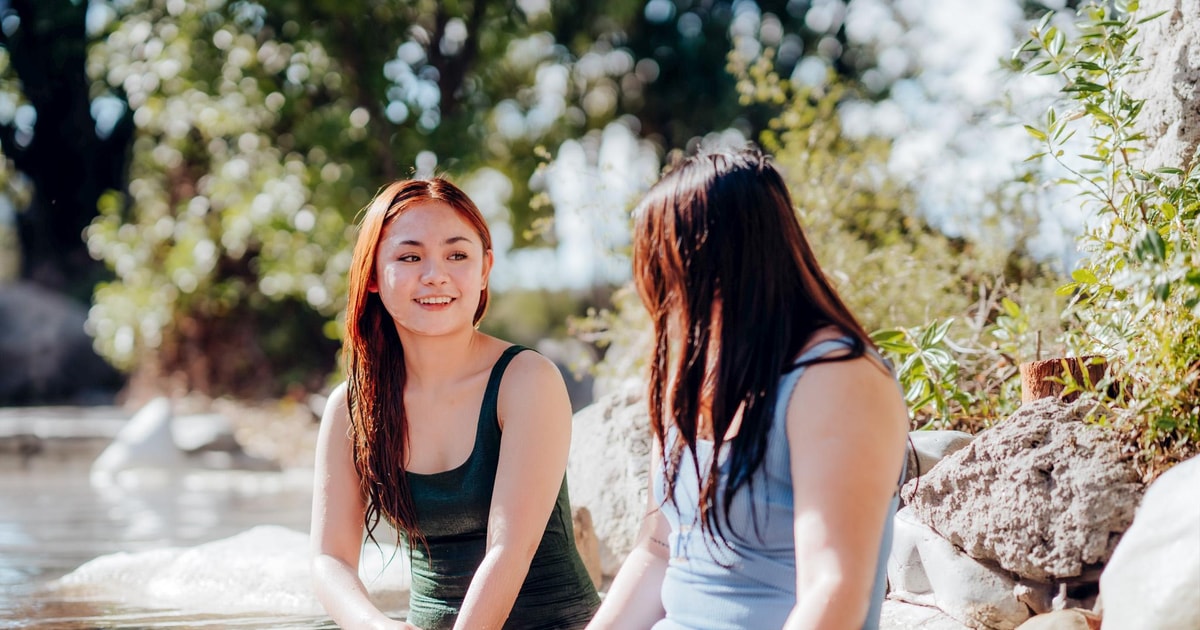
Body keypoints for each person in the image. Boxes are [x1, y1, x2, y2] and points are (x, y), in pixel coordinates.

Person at [587, 146, 910, 630]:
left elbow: (832, 590)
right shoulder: (693, 374)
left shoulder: (837, 378)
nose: (656, 293)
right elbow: (657, 552)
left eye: (666, 269)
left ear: (720, 265)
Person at [310, 178, 600, 630]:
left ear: (485, 269)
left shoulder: (526, 381)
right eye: (409, 257)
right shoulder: (351, 408)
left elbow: (510, 550)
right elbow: (330, 559)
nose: (435, 275)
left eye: (457, 255)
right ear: (371, 276)